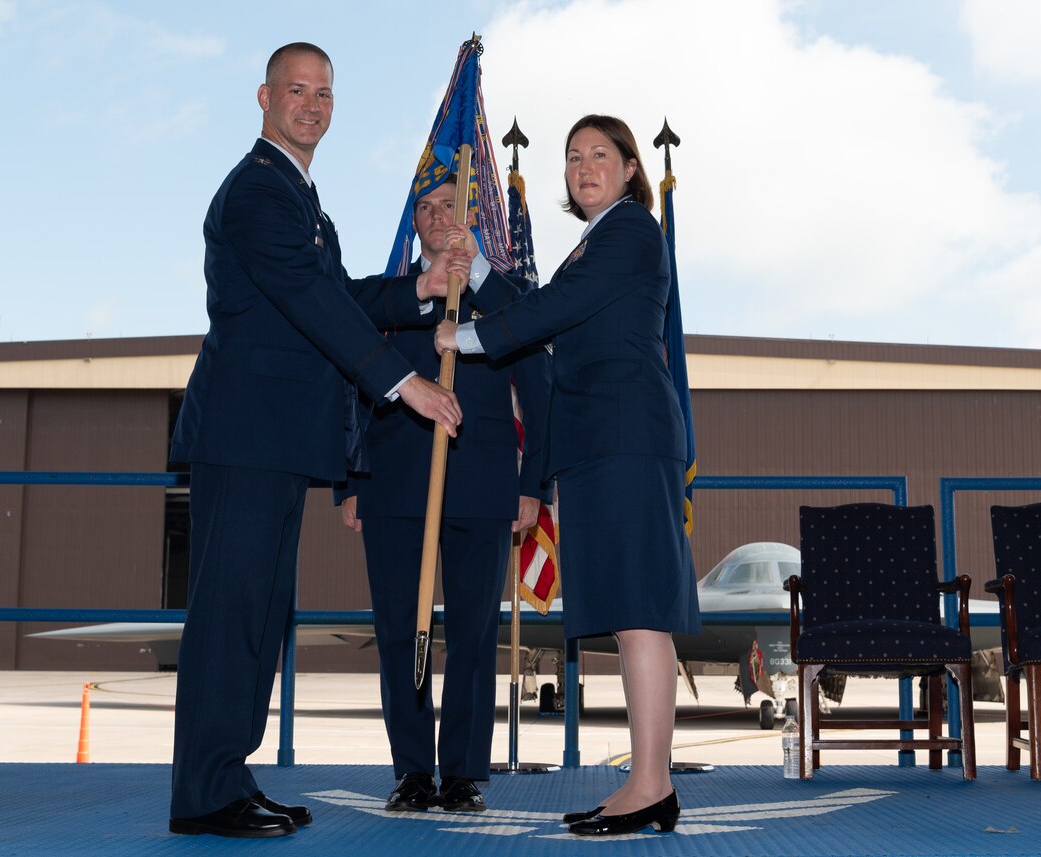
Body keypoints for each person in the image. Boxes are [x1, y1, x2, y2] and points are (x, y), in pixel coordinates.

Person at [167, 42, 470, 839]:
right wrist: (405, 384)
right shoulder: (260, 192)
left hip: (273, 441)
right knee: (233, 612)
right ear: (263, 97)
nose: (312, 105)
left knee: (262, 615)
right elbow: (311, 299)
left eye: (324, 93)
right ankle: (204, 790)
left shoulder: (299, 196)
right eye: (296, 90)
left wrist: (420, 287)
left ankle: (225, 776)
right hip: (244, 436)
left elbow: (337, 293)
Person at [435, 114, 700, 837]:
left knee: (640, 607)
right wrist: (483, 273)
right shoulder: (593, 243)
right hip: (598, 446)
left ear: (629, 168)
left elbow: (552, 313)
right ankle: (647, 782)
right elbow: (539, 306)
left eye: (600, 155)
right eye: (573, 157)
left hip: (628, 439)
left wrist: (463, 335)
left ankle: (651, 783)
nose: (584, 167)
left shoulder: (632, 231)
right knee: (625, 609)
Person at [337, 177, 552, 813]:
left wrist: (533, 485)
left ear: (471, 216)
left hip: (484, 488)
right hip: (395, 484)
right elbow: (350, 382)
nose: (435, 217)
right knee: (400, 630)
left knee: (475, 633)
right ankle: (411, 770)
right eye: (424, 207)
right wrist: (350, 482)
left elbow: (540, 395)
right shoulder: (384, 297)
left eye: (448, 206)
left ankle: (460, 771)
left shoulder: (503, 298)